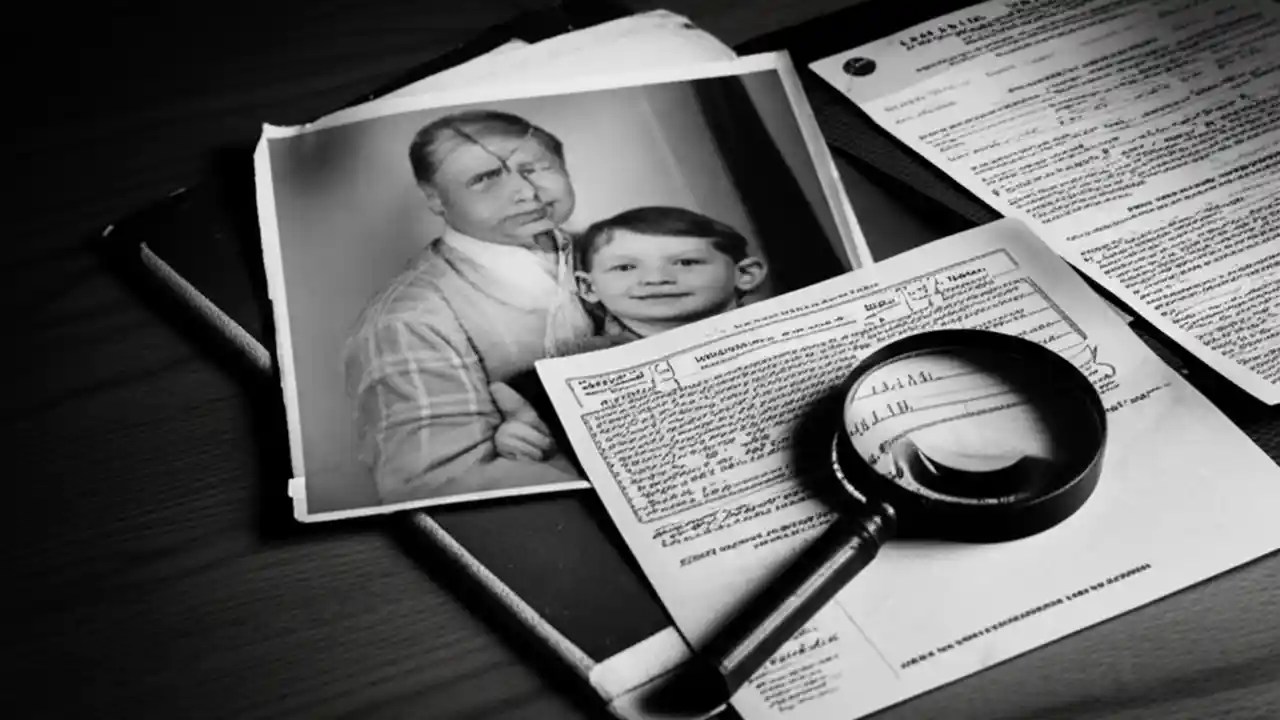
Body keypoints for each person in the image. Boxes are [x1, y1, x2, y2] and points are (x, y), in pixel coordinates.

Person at [343, 109, 596, 504]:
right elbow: (437, 487)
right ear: (434, 199)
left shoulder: (625, 254)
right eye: (485, 178)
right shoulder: (408, 322)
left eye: (536, 167)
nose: (526, 192)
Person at [491, 205, 769, 461]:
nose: (656, 279)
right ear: (588, 288)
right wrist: (525, 437)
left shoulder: (780, 342)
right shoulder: (563, 376)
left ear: (745, 274)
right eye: (625, 267)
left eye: (686, 263)